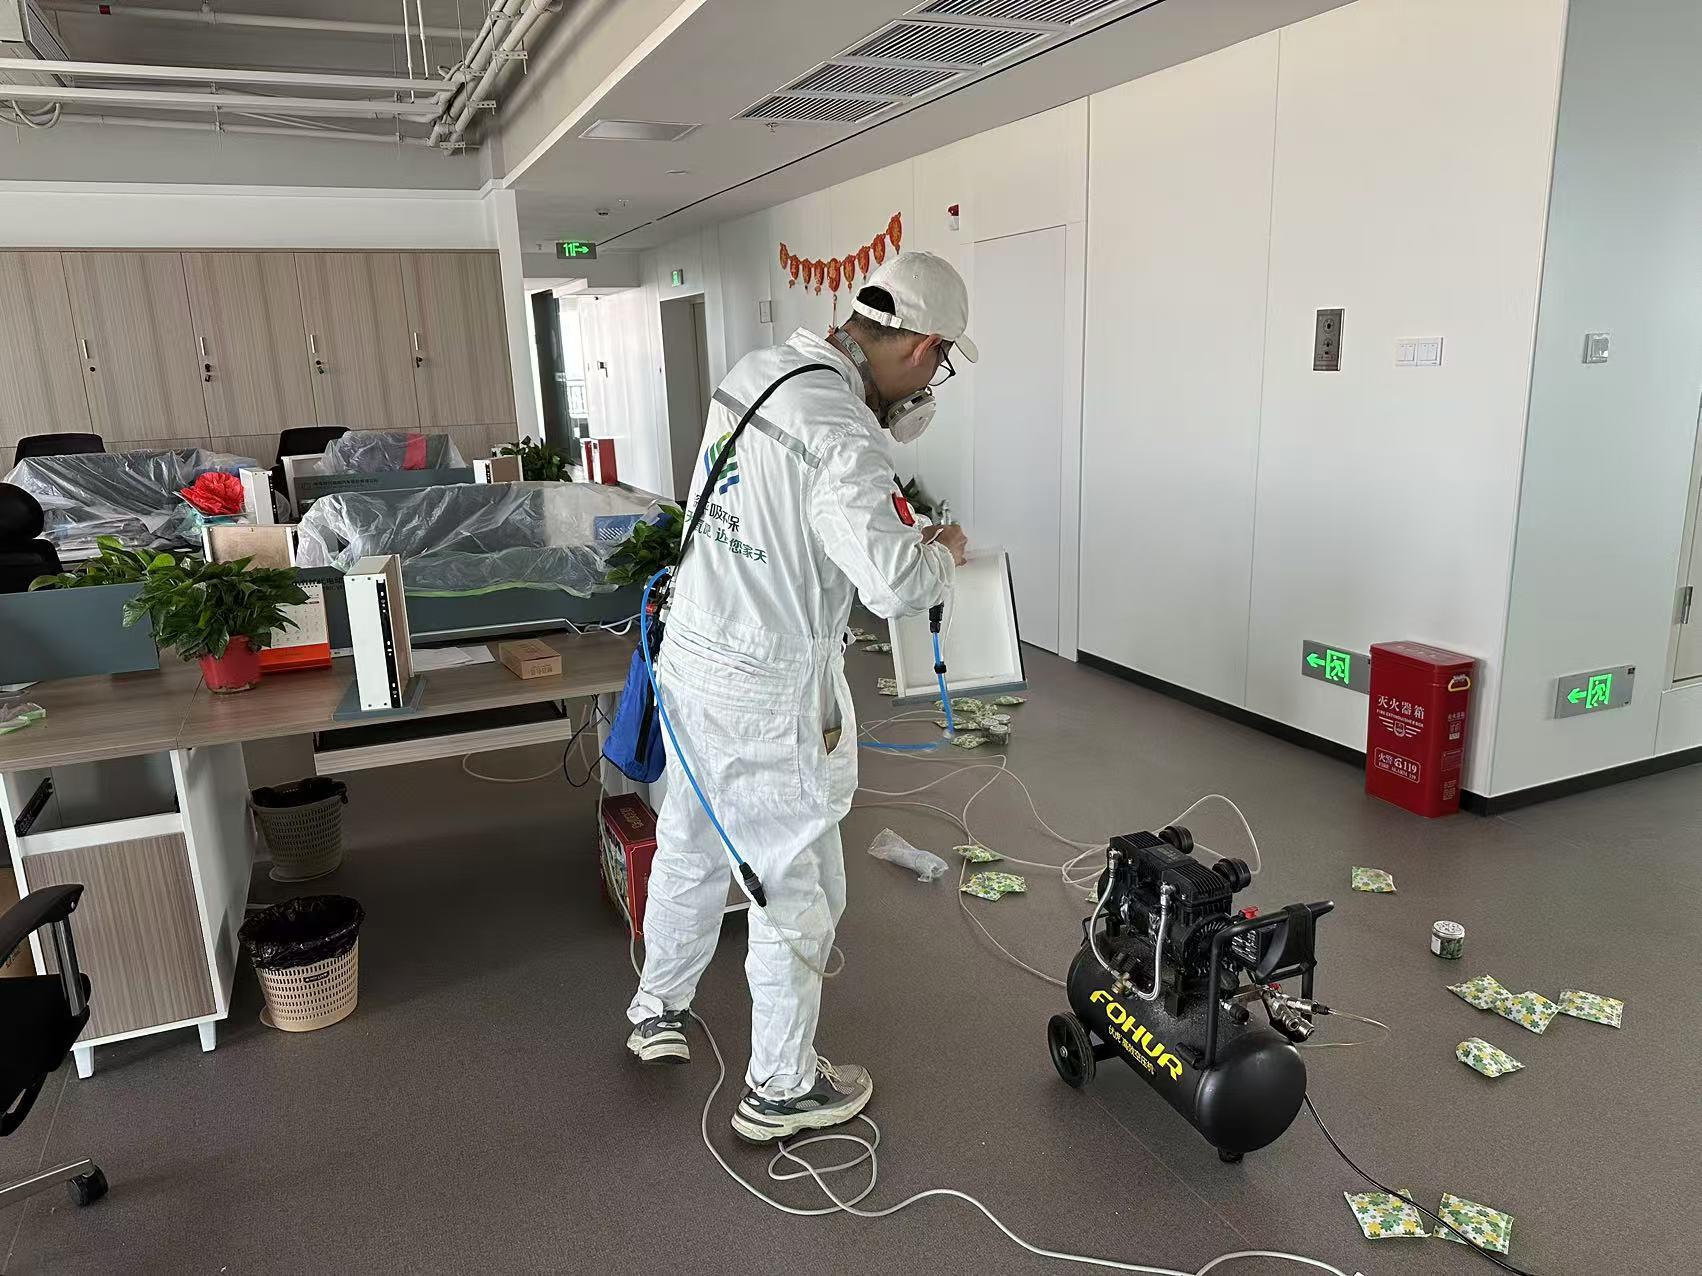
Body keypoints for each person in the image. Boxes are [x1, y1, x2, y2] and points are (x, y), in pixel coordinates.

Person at [625, 251, 975, 1144]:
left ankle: (657, 1008)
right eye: (939, 364)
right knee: (793, 884)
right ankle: (779, 1088)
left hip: (693, 653)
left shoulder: (756, 373)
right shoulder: (842, 432)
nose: (930, 384)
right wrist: (941, 552)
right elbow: (894, 586)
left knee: (691, 842)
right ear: (924, 346)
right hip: (766, 687)